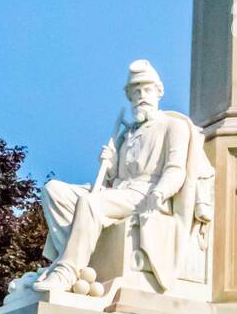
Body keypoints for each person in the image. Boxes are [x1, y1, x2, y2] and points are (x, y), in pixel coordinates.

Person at [33, 60, 210, 294]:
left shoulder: (172, 126)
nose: (141, 95)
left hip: (146, 193)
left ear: (159, 92)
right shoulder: (127, 133)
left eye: (147, 89)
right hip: (119, 192)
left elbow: (176, 169)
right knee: (54, 190)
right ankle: (76, 256)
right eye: (135, 91)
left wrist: (162, 191)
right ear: (129, 97)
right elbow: (115, 178)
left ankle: (67, 270)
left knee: (89, 202)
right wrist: (110, 164)